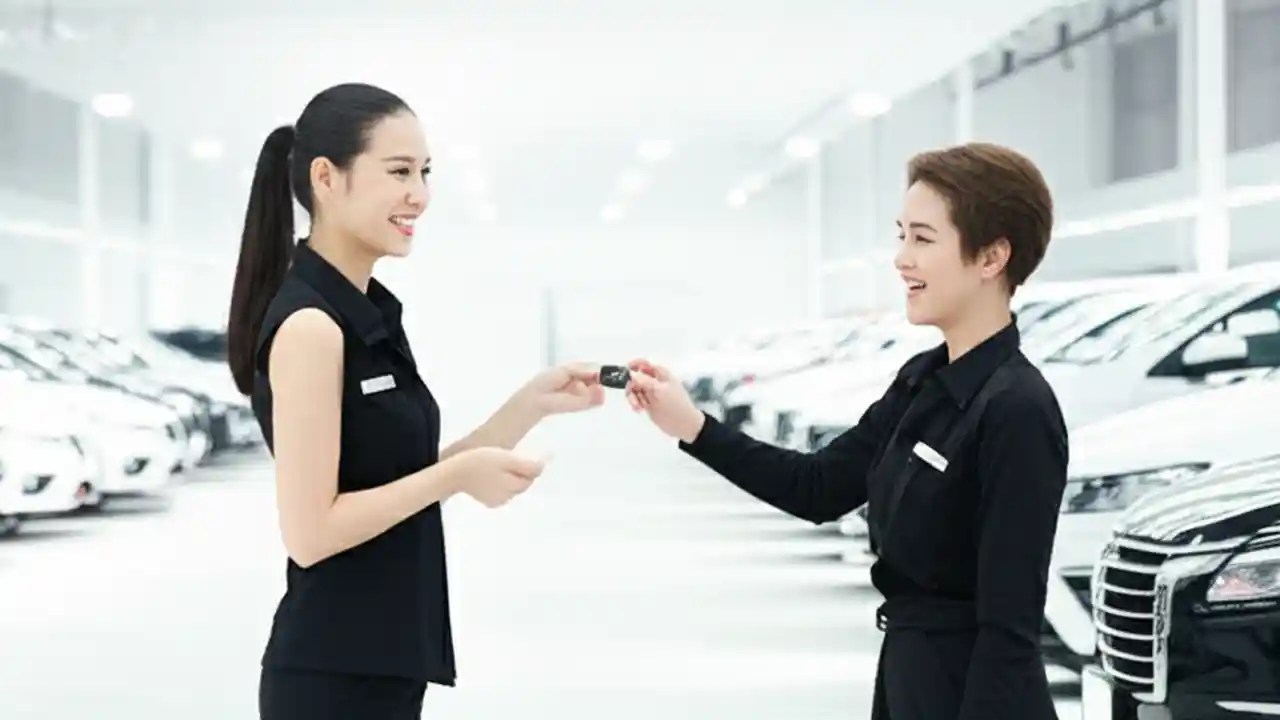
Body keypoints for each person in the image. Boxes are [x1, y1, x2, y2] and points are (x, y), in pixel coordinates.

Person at [625, 142, 1069, 720]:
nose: (901, 258)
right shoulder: (922, 382)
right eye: (900, 235)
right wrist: (693, 427)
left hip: (970, 695)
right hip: (908, 677)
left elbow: (1009, 630)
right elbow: (819, 487)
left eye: (923, 239)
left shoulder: (1018, 410)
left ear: (992, 257)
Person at [226, 82, 605, 720]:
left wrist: (530, 404)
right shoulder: (312, 327)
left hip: (381, 663)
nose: (420, 195)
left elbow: (407, 478)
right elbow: (311, 533)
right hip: (333, 676)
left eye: (425, 172)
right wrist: (457, 476)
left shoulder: (367, 314)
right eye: (399, 171)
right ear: (327, 178)